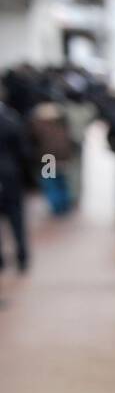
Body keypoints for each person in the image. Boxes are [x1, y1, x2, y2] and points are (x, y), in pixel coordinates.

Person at [0, 92, 30, 274]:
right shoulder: (11, 120)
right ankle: (22, 255)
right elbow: (23, 151)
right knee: (16, 217)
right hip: (10, 175)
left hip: (9, 174)